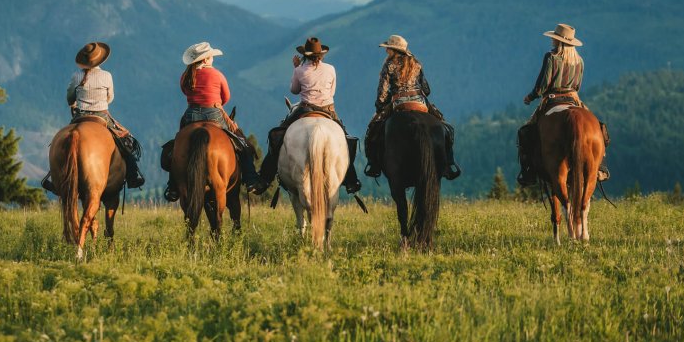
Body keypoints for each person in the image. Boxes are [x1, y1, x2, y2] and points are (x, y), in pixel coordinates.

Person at [252, 37, 362, 194]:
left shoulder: (299, 70)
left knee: (277, 136)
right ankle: (351, 180)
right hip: (327, 109)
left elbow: (294, 90)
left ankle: (264, 179)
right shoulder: (330, 68)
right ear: (321, 54)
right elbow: (332, 92)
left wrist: (297, 69)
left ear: (305, 55)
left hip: (305, 109)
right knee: (346, 140)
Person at [161, 41, 261, 202]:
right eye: (211, 56)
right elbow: (226, 97)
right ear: (206, 59)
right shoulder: (217, 74)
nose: (212, 59)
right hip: (214, 113)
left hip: (191, 114)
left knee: (176, 148)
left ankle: (173, 186)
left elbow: (185, 91)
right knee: (241, 144)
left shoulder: (186, 75)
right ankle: (251, 180)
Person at [41, 42, 145, 192]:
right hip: (102, 116)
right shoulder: (106, 76)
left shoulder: (76, 76)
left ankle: (54, 177)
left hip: (80, 116)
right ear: (100, 59)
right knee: (125, 142)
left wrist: (75, 102)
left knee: (63, 142)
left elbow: (70, 98)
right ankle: (133, 176)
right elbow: (110, 98)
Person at [517, 23, 610, 185]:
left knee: (526, 133)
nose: (552, 40)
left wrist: (531, 97)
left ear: (559, 41)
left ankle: (529, 172)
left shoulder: (551, 57)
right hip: (574, 99)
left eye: (554, 38)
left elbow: (543, 85)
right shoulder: (579, 61)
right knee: (600, 130)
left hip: (552, 98)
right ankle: (601, 167)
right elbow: (577, 86)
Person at [363, 35, 461, 180]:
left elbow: (382, 92)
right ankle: (448, 163)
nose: (386, 51)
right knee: (447, 128)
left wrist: (380, 108)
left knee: (372, 130)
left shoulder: (389, 65)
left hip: (397, 102)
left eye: (388, 48)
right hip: (419, 102)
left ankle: (373, 164)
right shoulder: (416, 63)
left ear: (393, 50)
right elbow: (426, 89)